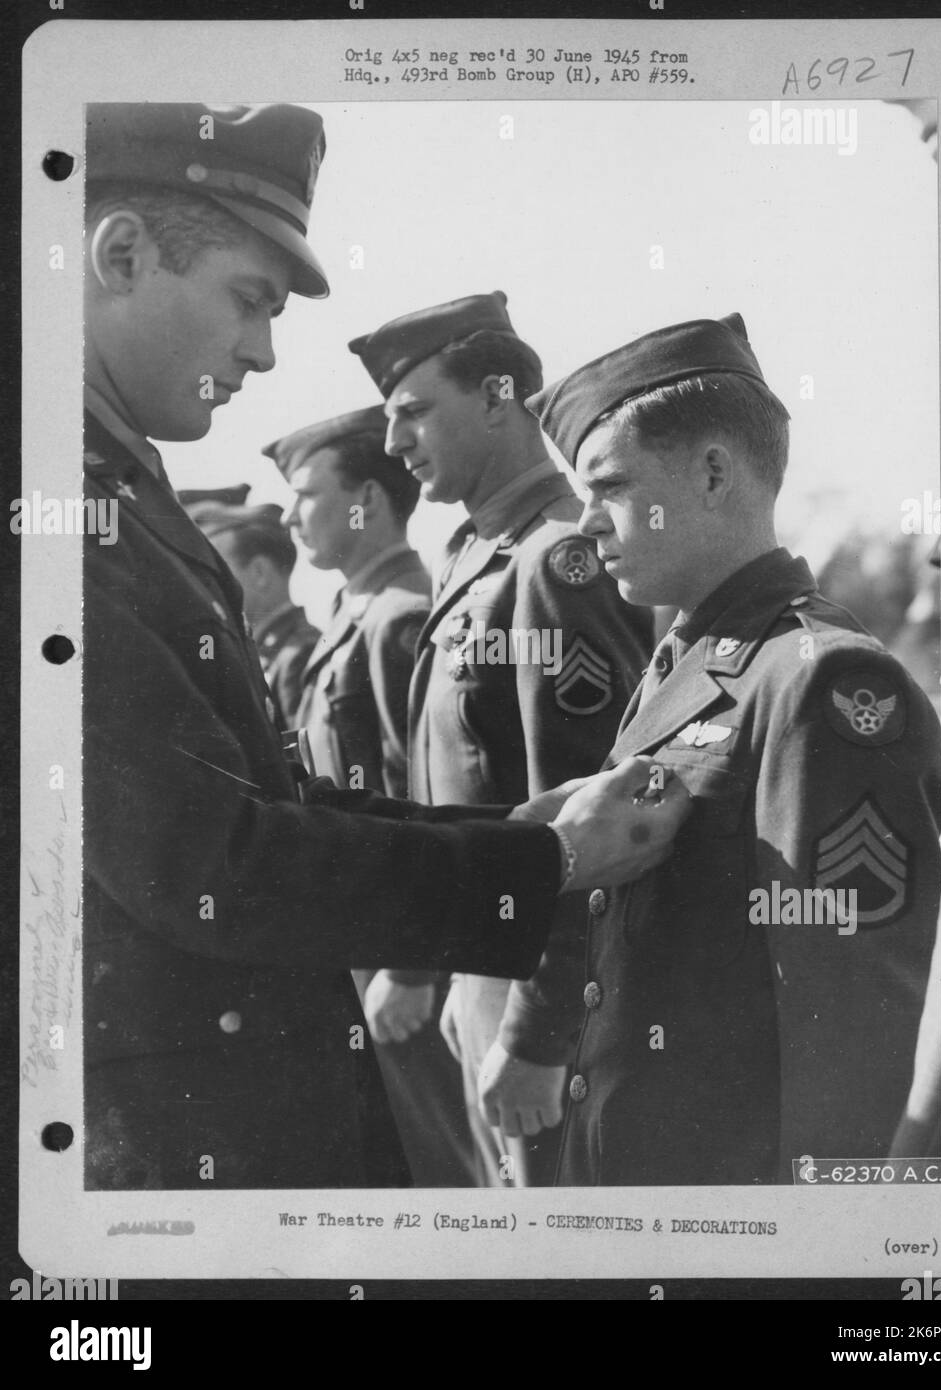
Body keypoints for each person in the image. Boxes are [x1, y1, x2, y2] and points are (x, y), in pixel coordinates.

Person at [81, 101, 690, 1191]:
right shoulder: (72, 518)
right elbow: (218, 858)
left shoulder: (120, 500)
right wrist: (533, 857)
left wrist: (521, 849)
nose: (263, 351)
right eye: (249, 300)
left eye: (416, 413)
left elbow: (274, 804)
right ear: (119, 256)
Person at [527, 312, 941, 1184]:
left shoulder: (818, 678)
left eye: (607, 486)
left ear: (714, 473)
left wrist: (823, 1251)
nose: (586, 524)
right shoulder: (686, 663)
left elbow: (851, 1019)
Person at [350, 294, 653, 1186]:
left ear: (497, 396)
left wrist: (537, 1031)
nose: (397, 445)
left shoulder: (558, 559)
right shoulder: (475, 552)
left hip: (538, 988)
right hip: (478, 969)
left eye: (413, 414)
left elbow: (585, 821)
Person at [264, 407, 474, 1186]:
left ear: (369, 504)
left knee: (447, 1173)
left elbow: (423, 805)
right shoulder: (356, 618)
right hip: (367, 947)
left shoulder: (401, 619)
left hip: (406, 961)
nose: (289, 516)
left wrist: (414, 967)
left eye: (307, 494)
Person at [187, 499, 318, 728]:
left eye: (214, 576)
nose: (203, 589)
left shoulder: (298, 655)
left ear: (260, 573)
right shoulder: (268, 654)